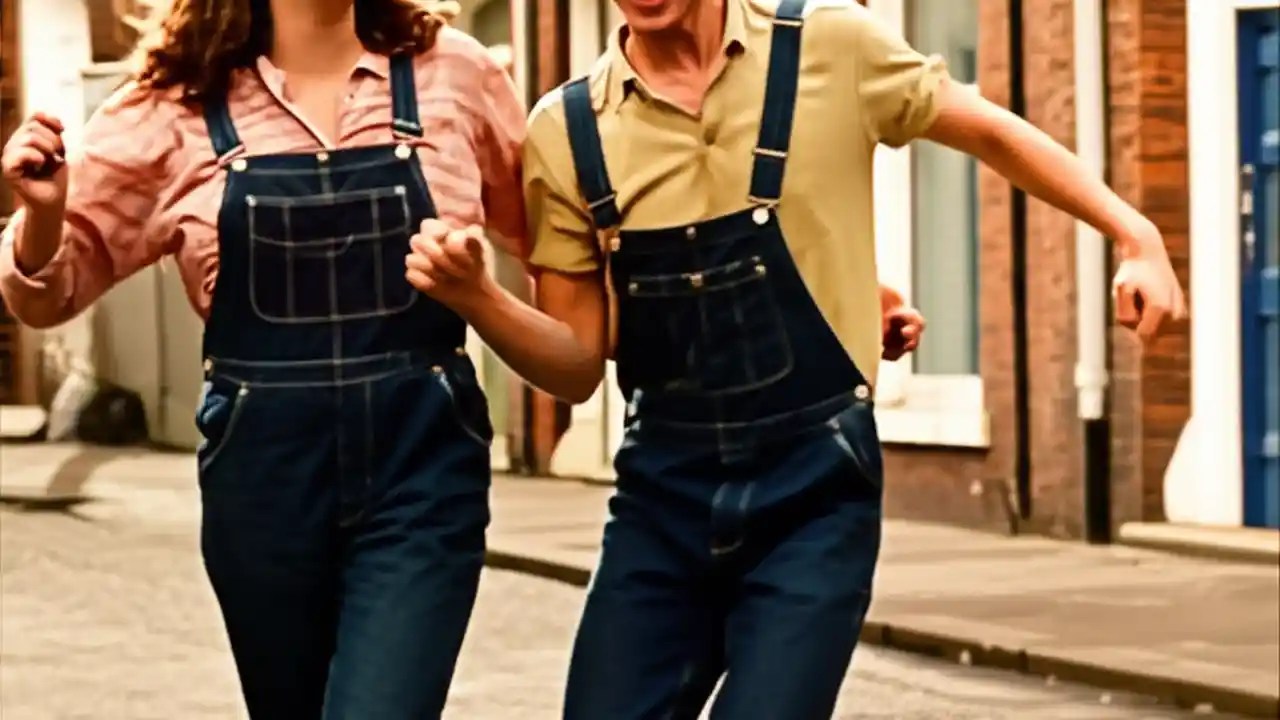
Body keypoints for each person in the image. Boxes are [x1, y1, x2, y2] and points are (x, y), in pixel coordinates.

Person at [405, 0, 1186, 717]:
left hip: (815, 490)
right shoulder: (569, 129)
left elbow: (989, 130)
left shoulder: (831, 47)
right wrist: (480, 298)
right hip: (662, 498)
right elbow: (577, 367)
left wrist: (1134, 235)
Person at [0, 0, 525, 717]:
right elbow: (47, 295)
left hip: (422, 473)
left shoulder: (454, 73)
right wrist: (42, 216)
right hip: (265, 486)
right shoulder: (170, 107)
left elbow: (556, 239)